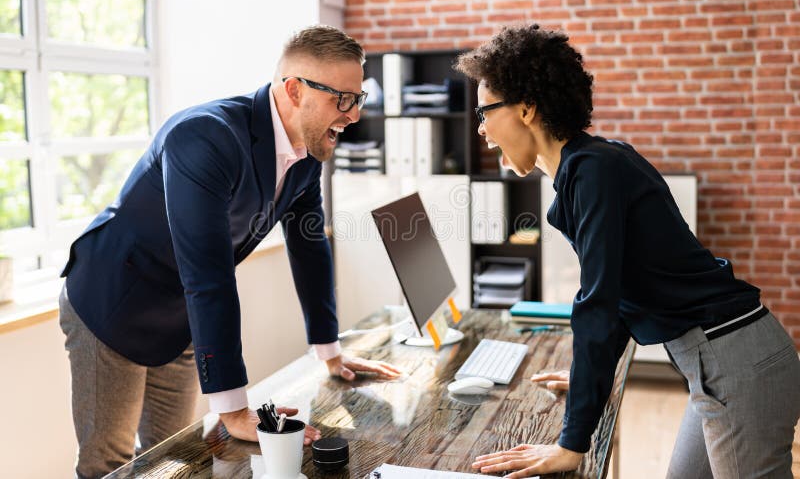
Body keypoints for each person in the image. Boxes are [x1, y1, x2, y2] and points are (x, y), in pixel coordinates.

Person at [455, 23, 800, 478]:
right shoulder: (590, 168)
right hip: (721, 364)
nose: (481, 130)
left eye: (485, 113)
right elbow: (617, 301)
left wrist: (571, 444)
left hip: (736, 364)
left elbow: (597, 303)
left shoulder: (593, 172)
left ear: (526, 109)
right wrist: (586, 383)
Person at [58, 25, 402, 479]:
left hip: (181, 315)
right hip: (111, 302)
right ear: (294, 90)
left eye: (358, 99)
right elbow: (209, 273)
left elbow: (309, 245)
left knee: (169, 461)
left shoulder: (304, 158)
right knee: (111, 467)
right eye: (343, 99)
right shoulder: (203, 136)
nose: (353, 115)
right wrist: (235, 408)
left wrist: (328, 349)